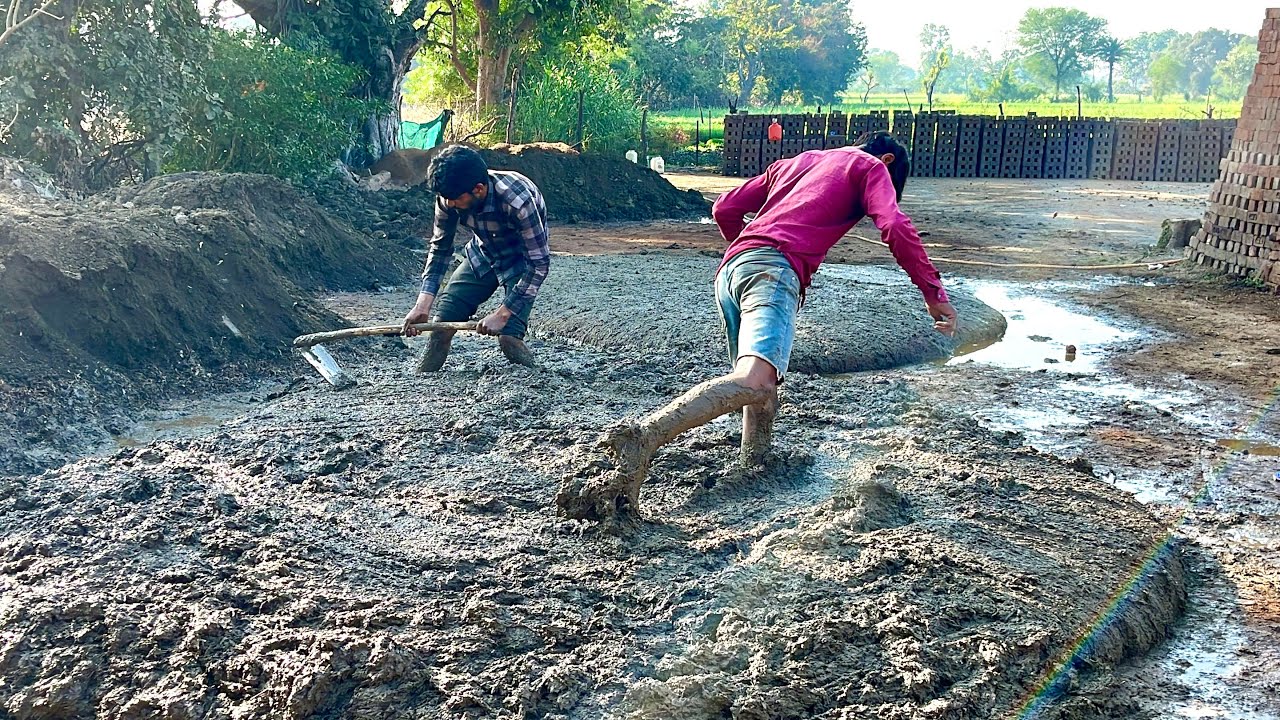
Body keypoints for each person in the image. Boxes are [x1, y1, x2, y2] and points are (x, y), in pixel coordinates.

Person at [559, 131, 956, 518]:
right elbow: (894, 226)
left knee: (761, 383)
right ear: (888, 161)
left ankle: (755, 461)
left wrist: (747, 248)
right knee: (755, 380)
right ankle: (644, 437)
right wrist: (933, 293)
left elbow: (724, 208)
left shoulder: (798, 162)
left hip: (732, 271)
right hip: (772, 271)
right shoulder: (870, 166)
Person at [401, 145, 550, 371]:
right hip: (483, 253)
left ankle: (541, 378)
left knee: (508, 338)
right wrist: (422, 306)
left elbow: (539, 264)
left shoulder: (518, 201)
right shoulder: (449, 196)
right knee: (440, 328)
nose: (450, 204)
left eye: (455, 200)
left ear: (478, 189)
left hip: (521, 260)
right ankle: (421, 377)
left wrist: (502, 314)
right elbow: (440, 250)